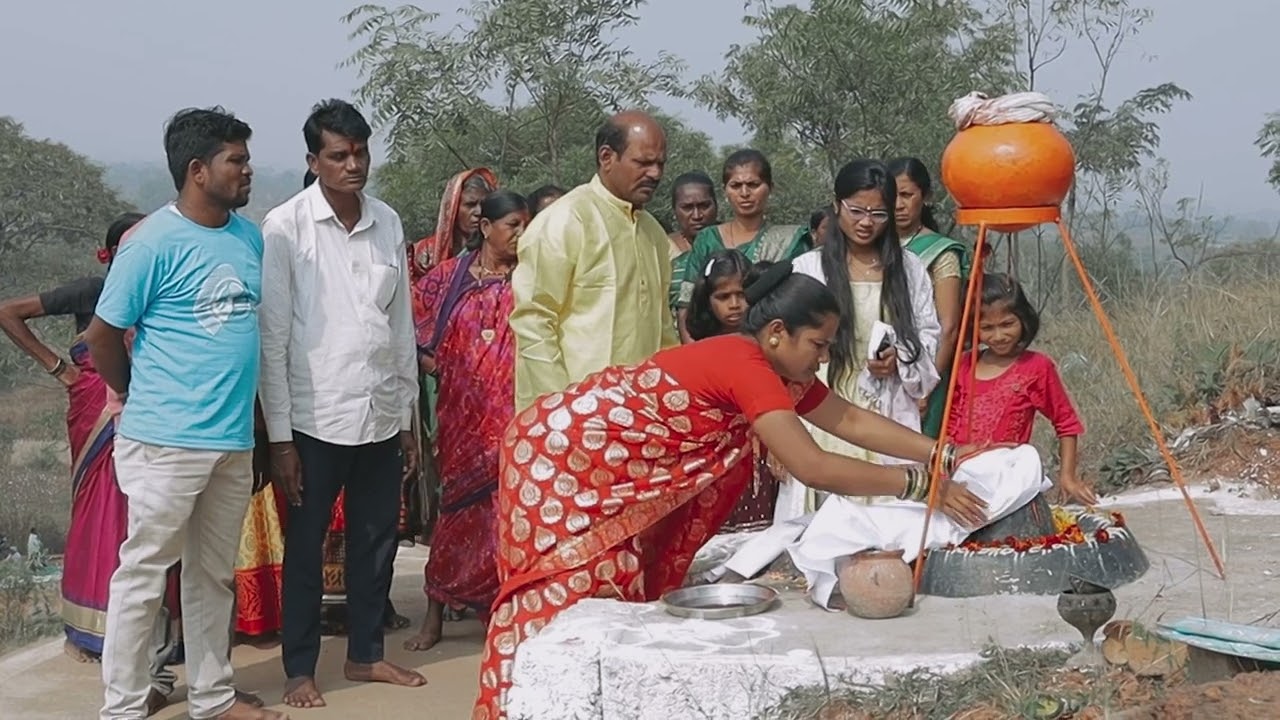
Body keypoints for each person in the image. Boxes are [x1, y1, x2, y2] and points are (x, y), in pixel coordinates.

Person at [472, 263, 987, 718]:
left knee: (618, 582)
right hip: (562, 461)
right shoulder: (746, 365)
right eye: (819, 345)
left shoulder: (778, 369)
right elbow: (811, 465)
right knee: (566, 594)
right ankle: (514, 706)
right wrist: (921, 485)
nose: (824, 358)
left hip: (602, 468)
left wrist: (942, 453)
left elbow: (847, 418)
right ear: (778, 333)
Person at [87, 107, 280, 720]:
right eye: (236, 160)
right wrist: (139, 396)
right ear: (198, 170)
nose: (248, 170)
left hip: (230, 440)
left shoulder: (249, 239)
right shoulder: (150, 242)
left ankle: (213, 697)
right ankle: (122, 706)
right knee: (144, 577)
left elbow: (249, 336)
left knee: (211, 576)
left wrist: (254, 424)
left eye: (246, 158)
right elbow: (102, 335)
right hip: (167, 440)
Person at [258, 99, 424, 709]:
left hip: (379, 413)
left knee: (376, 541)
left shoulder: (387, 221)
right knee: (305, 548)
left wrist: (407, 417)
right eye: (339, 155)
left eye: (360, 152)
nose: (353, 165)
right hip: (314, 418)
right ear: (314, 160)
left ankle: (365, 656)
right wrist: (280, 440)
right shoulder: (286, 228)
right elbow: (272, 336)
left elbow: (400, 325)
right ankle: (299, 668)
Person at [0, 213, 181, 712]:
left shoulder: (163, 289)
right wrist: (59, 368)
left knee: (151, 521)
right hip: (97, 413)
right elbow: (9, 311)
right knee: (104, 517)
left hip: (151, 417)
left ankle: (160, 636)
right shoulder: (91, 291)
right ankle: (95, 633)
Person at [403, 190, 528, 653]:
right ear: (486, 228)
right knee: (455, 511)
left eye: (524, 225)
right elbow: (406, 322)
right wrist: (439, 365)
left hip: (515, 415)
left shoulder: (533, 276)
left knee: (509, 512)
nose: (520, 234)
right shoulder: (450, 278)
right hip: (462, 416)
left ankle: (502, 608)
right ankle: (434, 614)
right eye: (512, 225)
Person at [510, 109, 678, 412]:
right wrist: (560, 407)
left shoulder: (653, 234)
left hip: (642, 414)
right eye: (643, 162)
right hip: (575, 414)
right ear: (606, 157)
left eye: (660, 164)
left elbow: (663, 329)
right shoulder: (565, 220)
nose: (655, 174)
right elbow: (534, 322)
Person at [947, 274, 1097, 505]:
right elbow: (949, 425)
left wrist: (1067, 477)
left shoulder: (1036, 367)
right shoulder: (963, 365)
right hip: (958, 482)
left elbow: (1066, 423)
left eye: (1007, 324)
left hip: (1007, 483)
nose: (998, 336)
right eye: (987, 328)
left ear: (1023, 320)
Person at [685, 251, 779, 533]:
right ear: (707, 300)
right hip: (716, 453)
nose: (735, 305)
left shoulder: (769, 345)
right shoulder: (700, 352)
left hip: (763, 451)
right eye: (723, 297)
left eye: (741, 294)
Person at [675, 149, 809, 342]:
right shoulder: (707, 239)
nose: (744, 193)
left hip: (772, 349)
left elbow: (799, 305)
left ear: (770, 187)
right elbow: (687, 306)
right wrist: (696, 356)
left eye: (753, 185)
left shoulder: (791, 240)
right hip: (713, 350)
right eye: (736, 185)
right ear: (725, 190)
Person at [887, 157, 971, 438]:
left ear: (925, 196)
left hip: (924, 371)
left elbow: (948, 328)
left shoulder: (940, 252)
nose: (898, 204)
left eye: (906, 195)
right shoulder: (868, 247)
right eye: (891, 195)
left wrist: (926, 388)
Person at [410, 168, 498, 285]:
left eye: (484, 205)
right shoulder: (423, 252)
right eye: (470, 205)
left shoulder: (497, 252)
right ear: (453, 207)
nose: (478, 212)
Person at [665, 172, 719, 323]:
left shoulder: (730, 243)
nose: (697, 215)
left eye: (704, 206)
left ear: (716, 205)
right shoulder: (663, 249)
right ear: (675, 210)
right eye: (687, 207)